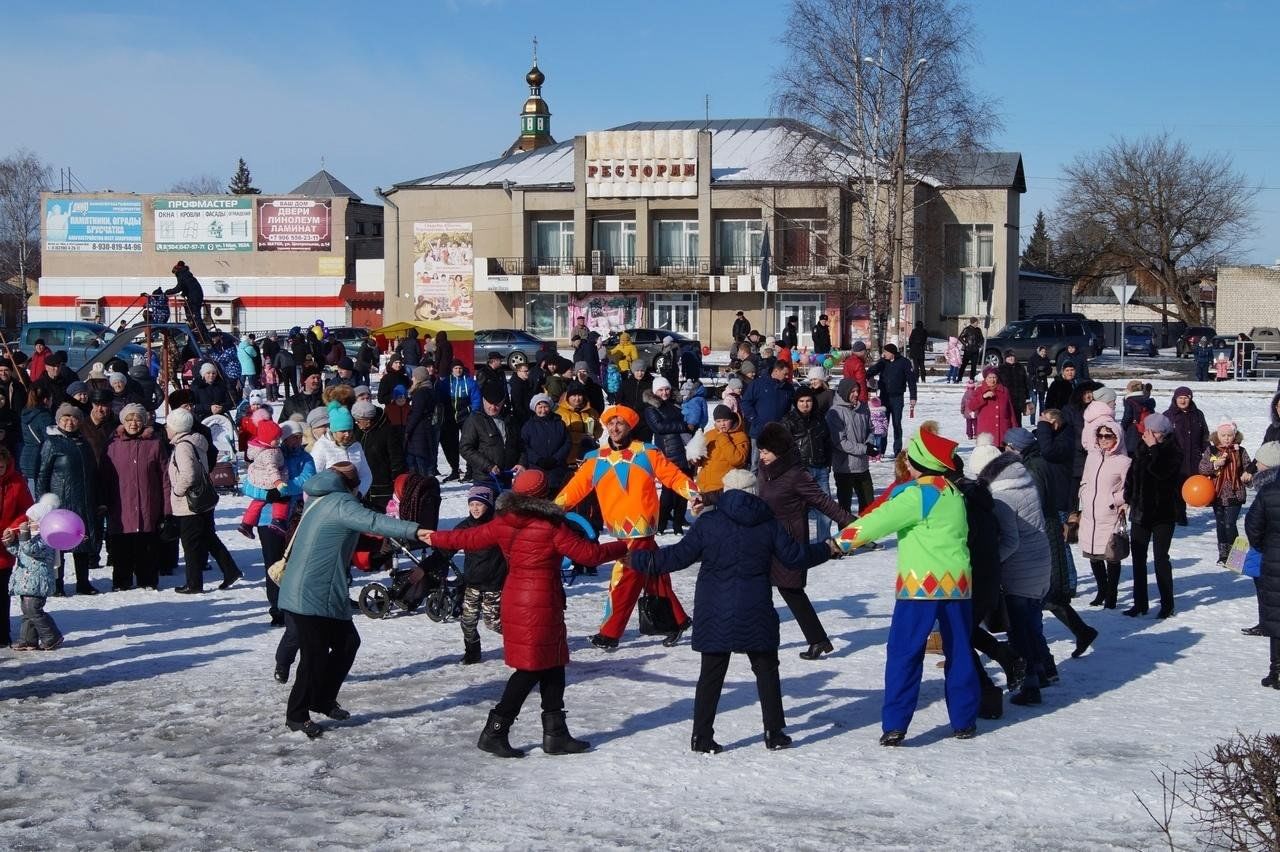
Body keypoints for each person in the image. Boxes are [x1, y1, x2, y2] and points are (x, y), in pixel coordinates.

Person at [632, 467, 836, 752]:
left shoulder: (708, 523)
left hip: (714, 608)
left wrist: (639, 559)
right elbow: (795, 557)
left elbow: (676, 557)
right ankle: (774, 733)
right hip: (755, 607)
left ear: (726, 492)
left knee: (711, 673)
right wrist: (828, 548)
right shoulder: (769, 523)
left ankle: (701, 737)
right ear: (754, 493)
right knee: (766, 669)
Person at [429, 468, 628, 757]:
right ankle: (495, 730)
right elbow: (589, 555)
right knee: (530, 669)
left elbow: (467, 540)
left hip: (516, 596)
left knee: (554, 663)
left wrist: (432, 536)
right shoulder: (552, 526)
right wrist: (626, 546)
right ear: (545, 494)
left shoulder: (503, 522)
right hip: (539, 601)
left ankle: (555, 734)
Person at [834, 428, 980, 745]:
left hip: (921, 587)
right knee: (960, 652)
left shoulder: (917, 494)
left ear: (917, 463)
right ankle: (965, 720)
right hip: (958, 585)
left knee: (904, 654)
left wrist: (839, 543)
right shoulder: (954, 493)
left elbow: (876, 522)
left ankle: (896, 724)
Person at [278, 463, 428, 738]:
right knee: (314, 655)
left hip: (319, 590)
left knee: (347, 643)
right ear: (354, 486)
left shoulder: (320, 497)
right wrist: (416, 530)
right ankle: (296, 714)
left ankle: (322, 699)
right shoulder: (341, 502)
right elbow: (373, 522)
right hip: (309, 592)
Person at [556, 405, 697, 649]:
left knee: (624, 580)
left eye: (620, 423)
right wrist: (554, 508)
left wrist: (693, 494)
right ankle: (678, 620)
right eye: (611, 423)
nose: (615, 427)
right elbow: (575, 489)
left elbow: (673, 476)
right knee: (654, 573)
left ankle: (609, 633)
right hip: (619, 529)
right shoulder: (596, 459)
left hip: (641, 529)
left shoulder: (646, 453)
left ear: (629, 426)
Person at [756, 422, 854, 661]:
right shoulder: (763, 468)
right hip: (765, 539)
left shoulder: (796, 474)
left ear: (779, 451)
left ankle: (818, 640)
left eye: (766, 451)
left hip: (788, 542)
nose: (761, 455)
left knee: (791, 590)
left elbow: (823, 502)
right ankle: (758, 637)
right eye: (760, 451)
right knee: (757, 589)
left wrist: (853, 524)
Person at [968, 436, 1054, 706]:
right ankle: (1043, 671)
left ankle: (1030, 686)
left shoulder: (1003, 497)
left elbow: (1011, 541)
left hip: (1021, 571)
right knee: (1031, 624)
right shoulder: (1023, 480)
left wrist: (990, 563)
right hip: (1041, 564)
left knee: (1018, 631)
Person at [1008, 426, 1097, 658]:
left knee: (1042, 592)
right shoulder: (1036, 462)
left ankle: (1040, 649)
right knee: (1045, 593)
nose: (1005, 450)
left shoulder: (1032, 467)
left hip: (1041, 530)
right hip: (1045, 527)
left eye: (1009, 446)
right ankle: (1082, 631)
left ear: (1018, 448)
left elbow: (1032, 502)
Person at [166, 408, 241, 594]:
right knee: (208, 537)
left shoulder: (182, 446)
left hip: (189, 502)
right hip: (203, 497)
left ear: (175, 427)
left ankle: (194, 583)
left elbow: (188, 474)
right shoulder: (197, 441)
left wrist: (177, 492)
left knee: (191, 543)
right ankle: (230, 570)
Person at [37, 404, 102, 596]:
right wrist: (43, 502)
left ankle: (83, 582)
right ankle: (58, 584)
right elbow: (42, 474)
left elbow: (93, 472)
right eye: (65, 418)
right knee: (59, 544)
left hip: (83, 498)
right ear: (58, 421)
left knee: (81, 540)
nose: (69, 422)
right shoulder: (52, 443)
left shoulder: (83, 442)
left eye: (73, 418)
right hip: (60, 500)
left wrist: (97, 498)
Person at [102, 404, 167, 591]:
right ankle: (122, 580)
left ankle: (147, 579)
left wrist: (167, 509)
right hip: (120, 505)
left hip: (148, 504)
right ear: (123, 421)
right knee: (122, 545)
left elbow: (165, 476)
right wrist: (104, 502)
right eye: (129, 420)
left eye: (138, 419)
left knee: (147, 544)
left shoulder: (154, 444)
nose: (134, 423)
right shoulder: (112, 445)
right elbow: (104, 476)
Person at [1125, 413, 1181, 618]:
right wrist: (1128, 497)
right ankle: (1140, 603)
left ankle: (1167, 604)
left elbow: (1162, 473)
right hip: (1140, 511)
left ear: (1163, 434)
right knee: (1138, 558)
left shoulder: (1172, 450)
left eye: (1154, 432)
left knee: (1160, 559)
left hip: (1163, 513)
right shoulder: (1142, 447)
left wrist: (1154, 449)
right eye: (1147, 431)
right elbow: (1133, 475)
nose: (1148, 435)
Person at [1077, 418, 1130, 609]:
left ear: (1117, 437)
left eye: (1108, 436)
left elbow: (1129, 489)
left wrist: (1114, 500)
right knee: (1093, 554)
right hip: (1091, 513)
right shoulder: (1092, 457)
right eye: (1100, 436)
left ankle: (1111, 594)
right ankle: (1101, 589)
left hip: (1110, 514)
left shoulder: (1124, 461)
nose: (1104, 439)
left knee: (1111, 555)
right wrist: (1083, 493)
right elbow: (1085, 479)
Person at [5, 496, 63, 651]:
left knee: (34, 610)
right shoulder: (31, 537)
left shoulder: (47, 538)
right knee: (26, 611)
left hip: (38, 581)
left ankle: (52, 636)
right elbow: (21, 552)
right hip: (26, 580)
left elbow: (31, 550)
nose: (28, 524)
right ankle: (28, 640)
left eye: (31, 521)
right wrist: (10, 544)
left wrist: (23, 536)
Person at [1244, 442, 1280, 687]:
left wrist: (1263, 547)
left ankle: (1276, 670)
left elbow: (1253, 527)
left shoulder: (1267, 492)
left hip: (1272, 560)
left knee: (1276, 619)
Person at [783, 387, 837, 542]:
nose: (805, 404)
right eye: (801, 401)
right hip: (800, 471)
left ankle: (824, 542)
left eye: (808, 401)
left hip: (820, 468)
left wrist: (828, 463)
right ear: (796, 402)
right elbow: (782, 447)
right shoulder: (788, 420)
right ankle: (799, 542)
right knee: (799, 510)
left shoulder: (820, 418)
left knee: (825, 508)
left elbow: (827, 442)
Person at [643, 377, 693, 536]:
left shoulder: (676, 405)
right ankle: (662, 523)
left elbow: (689, 420)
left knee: (683, 490)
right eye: (660, 390)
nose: (664, 393)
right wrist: (683, 426)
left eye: (667, 389)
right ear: (654, 391)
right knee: (668, 493)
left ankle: (678, 522)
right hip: (667, 452)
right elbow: (659, 427)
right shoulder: (651, 408)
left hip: (684, 450)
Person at [1199, 420, 1252, 567]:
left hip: (1235, 493)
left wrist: (1247, 477)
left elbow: (1248, 469)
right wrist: (1215, 464)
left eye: (1230, 435)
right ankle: (1223, 555)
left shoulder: (1240, 451)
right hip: (1217, 493)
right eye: (1223, 435)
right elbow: (1202, 468)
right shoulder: (1212, 450)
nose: (1227, 438)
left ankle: (1237, 558)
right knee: (1221, 525)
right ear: (1217, 435)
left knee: (1230, 524)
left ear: (1235, 435)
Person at [0, 447, 33, 645]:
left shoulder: (17, 482)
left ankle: (2, 635)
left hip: (4, 547)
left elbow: (27, 511)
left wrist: (13, 529)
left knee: (2, 594)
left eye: (1, 466)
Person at [827, 379, 874, 515]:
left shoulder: (863, 408)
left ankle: (866, 534)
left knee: (869, 506)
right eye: (852, 391)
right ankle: (846, 535)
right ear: (844, 392)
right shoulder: (834, 413)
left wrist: (870, 443)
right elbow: (840, 442)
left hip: (862, 466)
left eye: (857, 391)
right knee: (845, 509)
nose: (856, 394)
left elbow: (870, 429)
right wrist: (864, 449)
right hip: (844, 468)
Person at [686, 405, 749, 504]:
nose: (722, 424)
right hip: (705, 487)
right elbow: (703, 461)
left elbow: (737, 460)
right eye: (718, 421)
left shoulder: (740, 436)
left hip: (724, 488)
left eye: (725, 420)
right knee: (705, 517)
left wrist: (723, 437)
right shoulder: (709, 435)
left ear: (731, 420)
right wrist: (695, 459)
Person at [1165, 386, 1210, 525]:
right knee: (1177, 488)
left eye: (1186, 398)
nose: (1183, 401)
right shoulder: (1168, 415)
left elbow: (1205, 436)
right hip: (1176, 459)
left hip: (1195, 457)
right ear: (1175, 399)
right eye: (1180, 398)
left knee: (1192, 484)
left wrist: (1208, 453)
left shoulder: (1198, 414)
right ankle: (1180, 515)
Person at [461, 384, 522, 484]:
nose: (493, 407)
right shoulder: (475, 420)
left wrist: (521, 463)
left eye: (497, 404)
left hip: (508, 477)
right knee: (477, 500)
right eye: (490, 403)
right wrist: (488, 466)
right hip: (484, 478)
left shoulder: (510, 419)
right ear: (484, 401)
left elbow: (521, 445)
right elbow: (465, 448)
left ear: (503, 403)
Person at [238, 419, 290, 539]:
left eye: (279, 438)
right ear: (267, 439)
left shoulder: (261, 448)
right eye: (275, 439)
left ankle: (246, 523)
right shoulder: (269, 453)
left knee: (258, 501)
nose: (278, 441)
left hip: (260, 479)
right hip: (269, 480)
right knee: (282, 498)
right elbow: (272, 469)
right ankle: (278, 520)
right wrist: (278, 482)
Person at [309, 403, 373, 498]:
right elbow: (314, 477)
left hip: (354, 499)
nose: (347, 434)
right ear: (333, 430)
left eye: (350, 430)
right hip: (331, 501)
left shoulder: (356, 446)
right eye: (343, 431)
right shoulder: (322, 446)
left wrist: (359, 493)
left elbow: (366, 475)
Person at [865, 343, 918, 457]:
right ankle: (881, 450)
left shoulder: (904, 362)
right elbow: (871, 371)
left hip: (897, 397)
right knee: (883, 424)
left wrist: (913, 397)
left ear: (892, 353)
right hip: (884, 397)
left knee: (897, 423)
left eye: (886, 352)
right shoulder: (883, 362)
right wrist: (868, 377)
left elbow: (911, 381)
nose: (884, 354)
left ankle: (897, 450)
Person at [353, 399, 404, 513]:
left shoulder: (388, 432)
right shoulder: (359, 431)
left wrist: (395, 481)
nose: (357, 423)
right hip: (364, 484)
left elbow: (397, 459)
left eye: (358, 421)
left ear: (368, 420)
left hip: (383, 486)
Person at [520, 393, 571, 496]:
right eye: (540, 407)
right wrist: (538, 460)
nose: (543, 410)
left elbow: (567, 442)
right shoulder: (528, 426)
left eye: (545, 406)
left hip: (557, 470)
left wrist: (556, 458)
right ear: (535, 408)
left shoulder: (559, 423)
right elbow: (524, 446)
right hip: (537, 470)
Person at [741, 360, 795, 455]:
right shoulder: (758, 384)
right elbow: (745, 402)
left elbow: (792, 407)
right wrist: (754, 419)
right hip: (759, 431)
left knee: (777, 462)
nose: (787, 377)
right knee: (756, 463)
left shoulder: (788, 388)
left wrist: (786, 423)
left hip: (779, 432)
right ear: (776, 371)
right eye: (785, 374)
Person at [439, 362, 481, 482]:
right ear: (452, 370)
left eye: (460, 368)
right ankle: (454, 470)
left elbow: (476, 400)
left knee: (469, 443)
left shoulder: (469, 382)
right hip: (450, 418)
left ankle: (470, 471)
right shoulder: (445, 382)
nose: (458, 370)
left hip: (466, 417)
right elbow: (439, 398)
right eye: (456, 368)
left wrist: (473, 414)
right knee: (450, 445)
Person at [964, 367, 1016, 447]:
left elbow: (1010, 411)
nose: (992, 380)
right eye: (990, 377)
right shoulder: (979, 390)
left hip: (1003, 431)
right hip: (986, 433)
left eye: (994, 377)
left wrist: (1014, 428)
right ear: (985, 378)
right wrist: (983, 397)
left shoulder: (1004, 390)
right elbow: (971, 406)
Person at [403, 366, 438, 477]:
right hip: (426, 429)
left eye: (414, 377)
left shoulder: (420, 393)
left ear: (419, 378)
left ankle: (422, 485)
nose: (412, 379)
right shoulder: (430, 389)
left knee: (419, 462)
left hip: (419, 431)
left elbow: (416, 413)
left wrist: (407, 429)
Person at [19, 388, 53, 497]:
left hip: (26, 458)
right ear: (46, 400)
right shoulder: (44, 416)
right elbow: (50, 438)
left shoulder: (26, 414)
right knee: (38, 498)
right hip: (39, 459)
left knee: (30, 497)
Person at [165, 261, 210, 341]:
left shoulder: (181, 275)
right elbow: (187, 285)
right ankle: (194, 323)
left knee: (197, 316)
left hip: (194, 297)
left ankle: (202, 334)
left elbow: (178, 288)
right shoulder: (187, 273)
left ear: (176, 271)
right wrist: (184, 293)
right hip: (198, 295)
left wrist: (167, 292)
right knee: (191, 310)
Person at [997, 350, 1031, 427]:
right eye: (1009, 357)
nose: (1011, 358)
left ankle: (1017, 435)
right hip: (1007, 398)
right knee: (1007, 419)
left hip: (1019, 398)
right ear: (1005, 358)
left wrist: (1027, 396)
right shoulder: (1001, 368)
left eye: (1012, 356)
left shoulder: (1020, 367)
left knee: (1018, 419)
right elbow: (998, 384)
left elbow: (1025, 382)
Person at [1027, 345, 1053, 413]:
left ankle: (1041, 417)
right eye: (1042, 351)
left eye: (1044, 351)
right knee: (1034, 401)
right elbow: (1029, 369)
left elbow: (1050, 370)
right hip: (1034, 382)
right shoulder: (1032, 358)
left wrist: (1044, 372)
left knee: (1042, 401)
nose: (1043, 353)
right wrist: (1037, 370)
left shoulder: (1046, 359)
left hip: (1042, 383)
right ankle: (1032, 422)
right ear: (1038, 351)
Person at [958, 317, 984, 382]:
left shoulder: (978, 330)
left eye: (977, 322)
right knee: (964, 365)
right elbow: (960, 337)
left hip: (975, 350)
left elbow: (982, 339)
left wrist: (979, 344)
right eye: (976, 322)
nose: (977, 323)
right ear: (973, 322)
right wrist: (965, 344)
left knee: (974, 366)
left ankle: (972, 379)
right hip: (968, 350)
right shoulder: (967, 329)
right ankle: (959, 378)